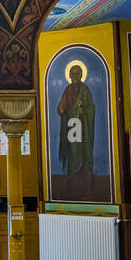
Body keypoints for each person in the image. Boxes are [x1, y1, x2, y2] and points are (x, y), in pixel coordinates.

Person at [56, 62, 96, 194]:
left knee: (85, 154)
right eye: (73, 73)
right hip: (73, 126)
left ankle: (87, 188)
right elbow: (61, 107)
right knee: (73, 154)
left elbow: (91, 108)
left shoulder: (86, 90)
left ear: (82, 75)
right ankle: (72, 188)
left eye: (78, 73)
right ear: (70, 75)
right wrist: (64, 109)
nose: (76, 75)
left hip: (84, 129)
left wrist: (83, 111)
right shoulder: (68, 90)